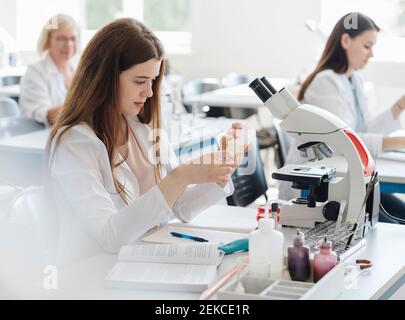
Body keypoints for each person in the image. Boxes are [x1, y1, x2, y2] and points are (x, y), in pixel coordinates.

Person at [46, 18, 247, 263]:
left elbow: (178, 207)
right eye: (140, 81)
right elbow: (108, 237)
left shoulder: (141, 126)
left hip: (140, 260)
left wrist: (222, 170)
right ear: (104, 77)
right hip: (91, 270)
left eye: (152, 81)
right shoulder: (74, 143)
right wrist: (180, 176)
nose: (149, 92)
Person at [282, 12, 405, 223]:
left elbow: (361, 128)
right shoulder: (325, 82)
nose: (371, 54)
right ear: (346, 40)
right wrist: (399, 141)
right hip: (320, 189)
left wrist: (398, 107)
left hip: (348, 181)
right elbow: (345, 141)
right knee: (394, 225)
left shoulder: (353, 79)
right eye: (367, 46)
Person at [20, 14, 80, 125]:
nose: (68, 44)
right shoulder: (35, 72)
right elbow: (43, 114)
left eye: (72, 38)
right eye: (61, 39)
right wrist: (84, 106)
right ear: (48, 41)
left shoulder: (78, 70)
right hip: (41, 135)